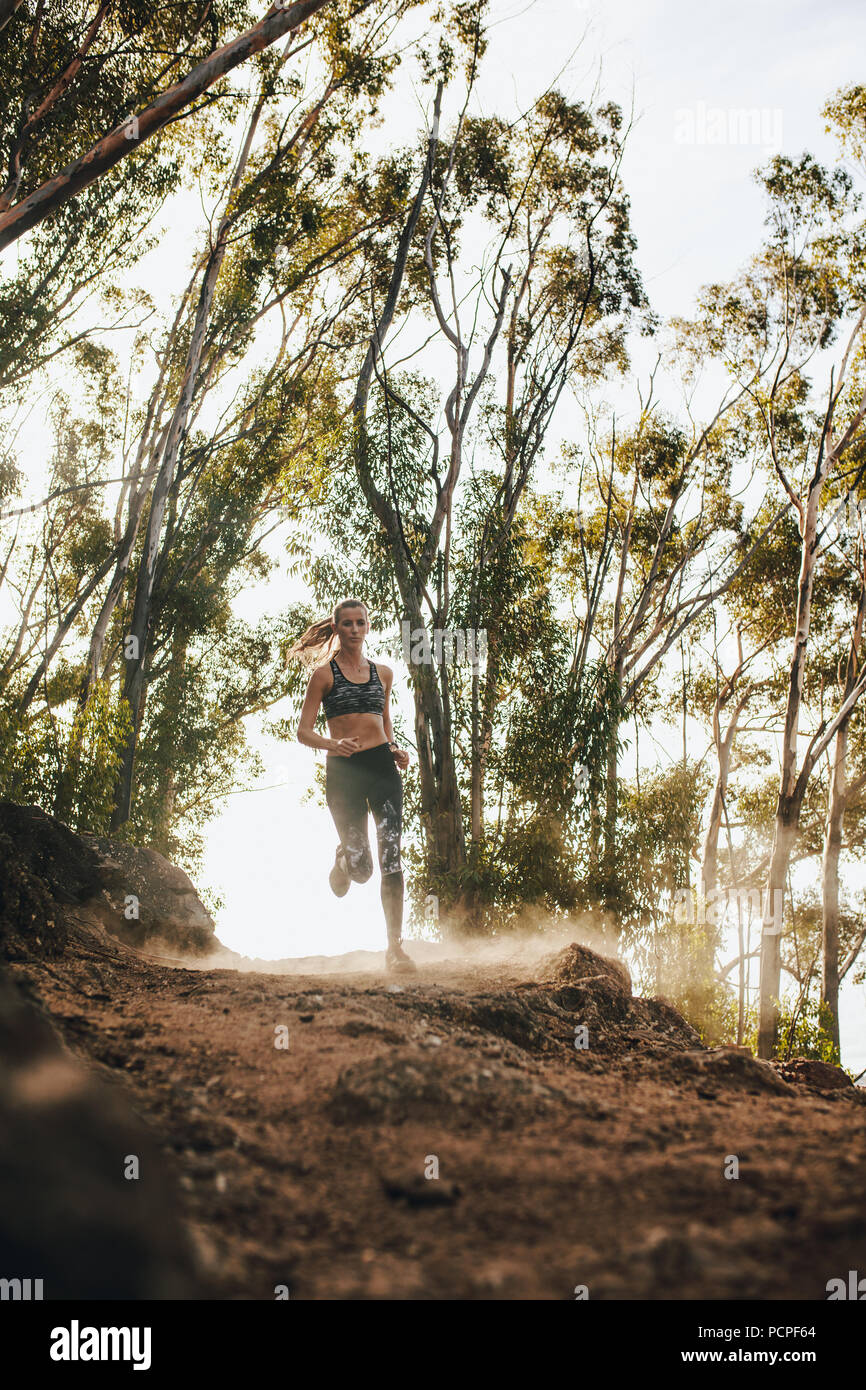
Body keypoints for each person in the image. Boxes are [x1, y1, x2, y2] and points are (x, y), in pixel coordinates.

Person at [291, 598, 417, 975]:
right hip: (343, 772)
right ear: (337, 628)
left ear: (367, 627)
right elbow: (303, 731)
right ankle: (346, 858)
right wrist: (333, 744)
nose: (354, 629)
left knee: (391, 855)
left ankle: (395, 948)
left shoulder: (384, 673)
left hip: (381, 768)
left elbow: (384, 720)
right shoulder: (324, 675)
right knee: (362, 871)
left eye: (360, 623)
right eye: (347, 624)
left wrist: (394, 749)